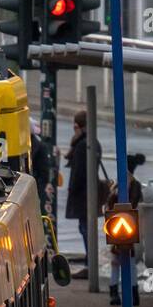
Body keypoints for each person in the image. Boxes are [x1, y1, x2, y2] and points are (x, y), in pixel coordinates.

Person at [104, 152, 145, 307]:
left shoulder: (123, 184)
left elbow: (116, 204)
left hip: (121, 225)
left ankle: (117, 292)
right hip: (125, 225)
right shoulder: (131, 183)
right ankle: (130, 293)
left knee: (121, 260)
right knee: (126, 261)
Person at [64, 108, 100, 262]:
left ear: (79, 126)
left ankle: (90, 261)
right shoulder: (92, 142)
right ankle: (89, 259)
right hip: (88, 193)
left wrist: (71, 188)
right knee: (85, 226)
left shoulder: (82, 145)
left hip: (83, 195)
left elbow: (78, 172)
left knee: (85, 227)